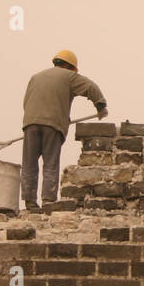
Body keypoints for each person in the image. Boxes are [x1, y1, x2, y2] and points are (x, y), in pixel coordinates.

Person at [21, 49, 107, 210]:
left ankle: (29, 201)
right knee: (50, 163)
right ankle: (48, 200)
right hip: (53, 125)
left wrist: (33, 121)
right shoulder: (69, 76)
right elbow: (91, 86)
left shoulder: (36, 77)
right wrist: (100, 106)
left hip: (30, 123)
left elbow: (26, 102)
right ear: (71, 67)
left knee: (29, 164)